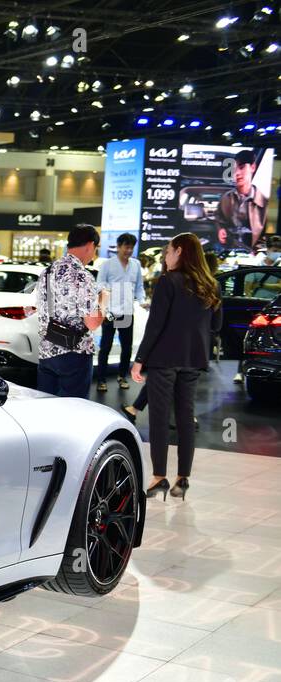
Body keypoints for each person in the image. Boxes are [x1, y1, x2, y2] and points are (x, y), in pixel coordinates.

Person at [131, 233, 223, 501]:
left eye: (168, 251)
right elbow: (216, 326)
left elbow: (155, 325)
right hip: (194, 359)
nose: (166, 256)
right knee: (185, 417)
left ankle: (159, 477)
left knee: (159, 419)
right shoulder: (212, 285)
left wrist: (140, 360)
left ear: (180, 251)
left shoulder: (168, 281)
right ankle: (183, 478)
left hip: (164, 359)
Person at [31, 224, 107, 398]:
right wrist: (103, 300)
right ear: (90, 245)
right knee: (74, 412)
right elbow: (93, 323)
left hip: (46, 350)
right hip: (74, 353)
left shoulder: (47, 272)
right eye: (95, 249)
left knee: (47, 409)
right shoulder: (82, 275)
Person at [95, 232, 144, 392]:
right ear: (118, 247)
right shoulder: (107, 264)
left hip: (127, 311)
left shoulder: (136, 265)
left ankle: (122, 376)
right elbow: (99, 284)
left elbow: (139, 287)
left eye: (131, 247)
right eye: (126, 247)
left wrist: (142, 301)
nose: (129, 250)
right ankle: (101, 379)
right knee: (106, 347)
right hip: (110, 311)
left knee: (127, 347)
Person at [216, 149, 267, 251]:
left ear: (253, 167)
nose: (237, 173)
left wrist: (257, 251)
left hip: (253, 254)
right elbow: (218, 218)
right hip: (229, 250)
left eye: (242, 167)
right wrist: (220, 229)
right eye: (234, 169)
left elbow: (267, 236)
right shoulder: (226, 198)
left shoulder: (265, 203)